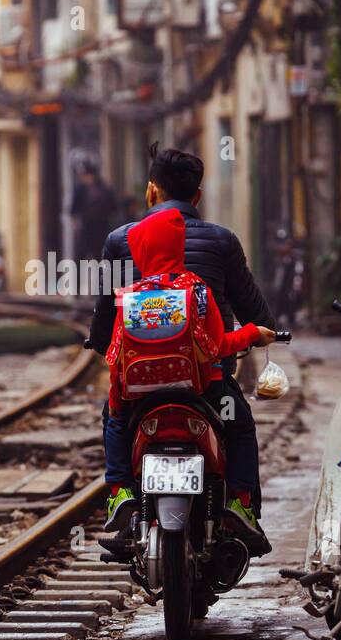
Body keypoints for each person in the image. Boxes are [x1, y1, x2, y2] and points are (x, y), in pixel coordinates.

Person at [89, 143, 275, 536]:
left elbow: (106, 314)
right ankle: (240, 505)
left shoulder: (120, 241)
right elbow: (251, 312)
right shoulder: (221, 243)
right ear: (198, 196)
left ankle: (120, 492)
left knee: (114, 419)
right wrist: (258, 331)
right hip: (208, 383)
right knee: (239, 427)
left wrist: (98, 343)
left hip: (139, 388)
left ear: (151, 190)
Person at [70, 162, 118, 265]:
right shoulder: (81, 189)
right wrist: (76, 226)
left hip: (101, 227)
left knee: (100, 256)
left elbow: (113, 208)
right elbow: (74, 210)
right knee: (81, 256)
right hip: (86, 228)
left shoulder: (104, 188)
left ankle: (101, 279)